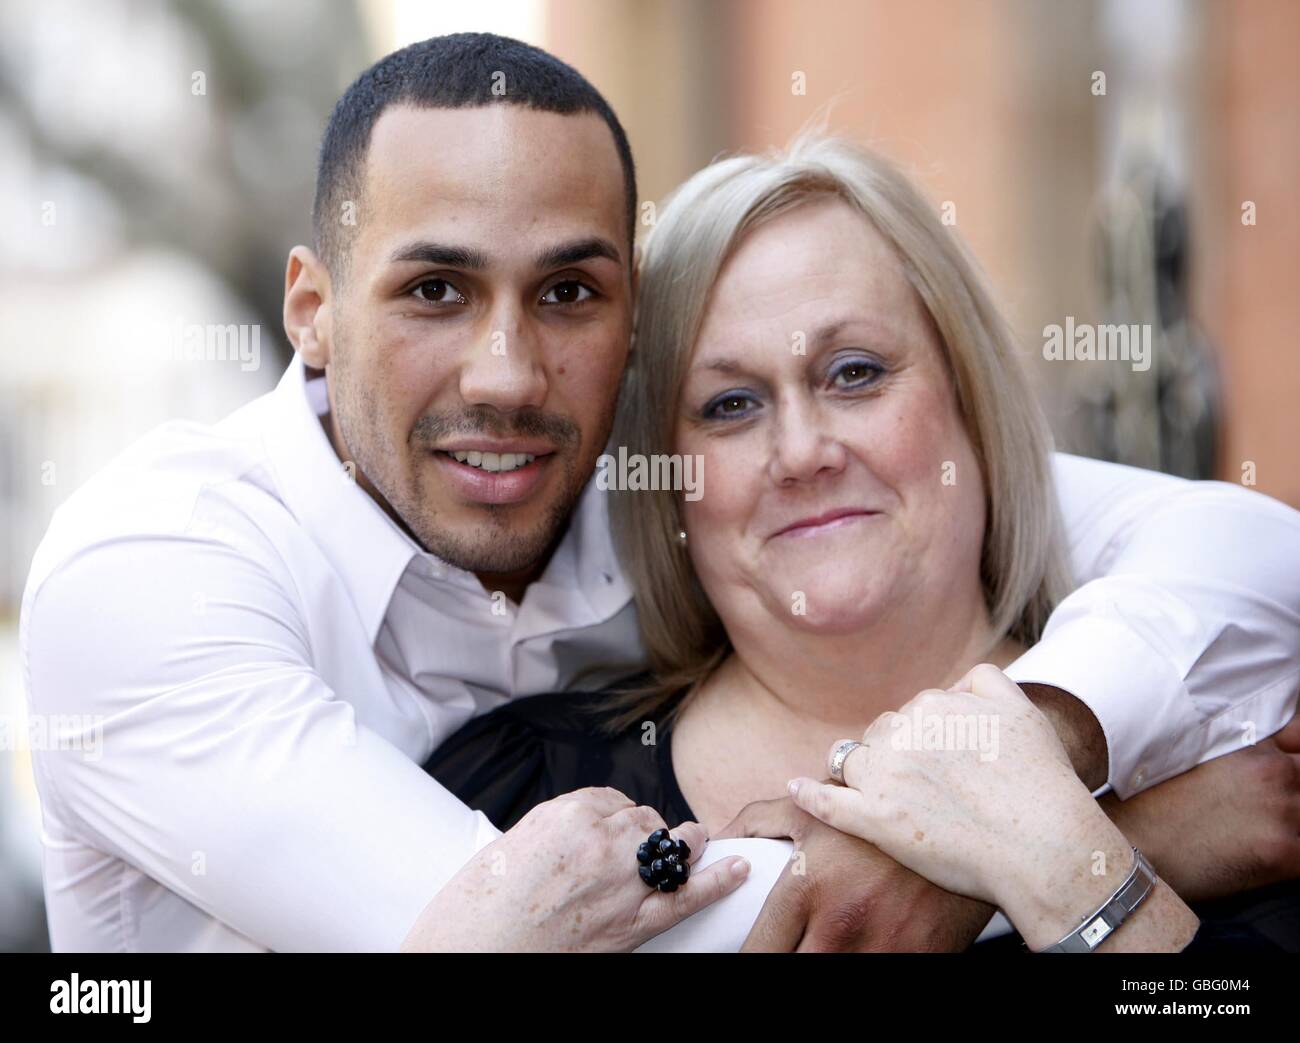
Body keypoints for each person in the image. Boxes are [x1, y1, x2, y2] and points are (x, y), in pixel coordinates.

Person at [20, 34, 1300, 953]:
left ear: (627, 331)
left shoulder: (642, 492)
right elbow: (520, 933)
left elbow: (1236, 544)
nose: (508, 371)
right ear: (311, 308)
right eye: (433, 290)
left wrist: (1048, 740)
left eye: (568, 291)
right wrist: (1112, 846)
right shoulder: (157, 570)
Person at [421, 133, 1300, 952]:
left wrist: (1076, 868)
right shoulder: (510, 793)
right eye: (730, 404)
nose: (802, 452)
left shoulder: (1232, 746)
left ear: (968, 395)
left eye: (856, 373)